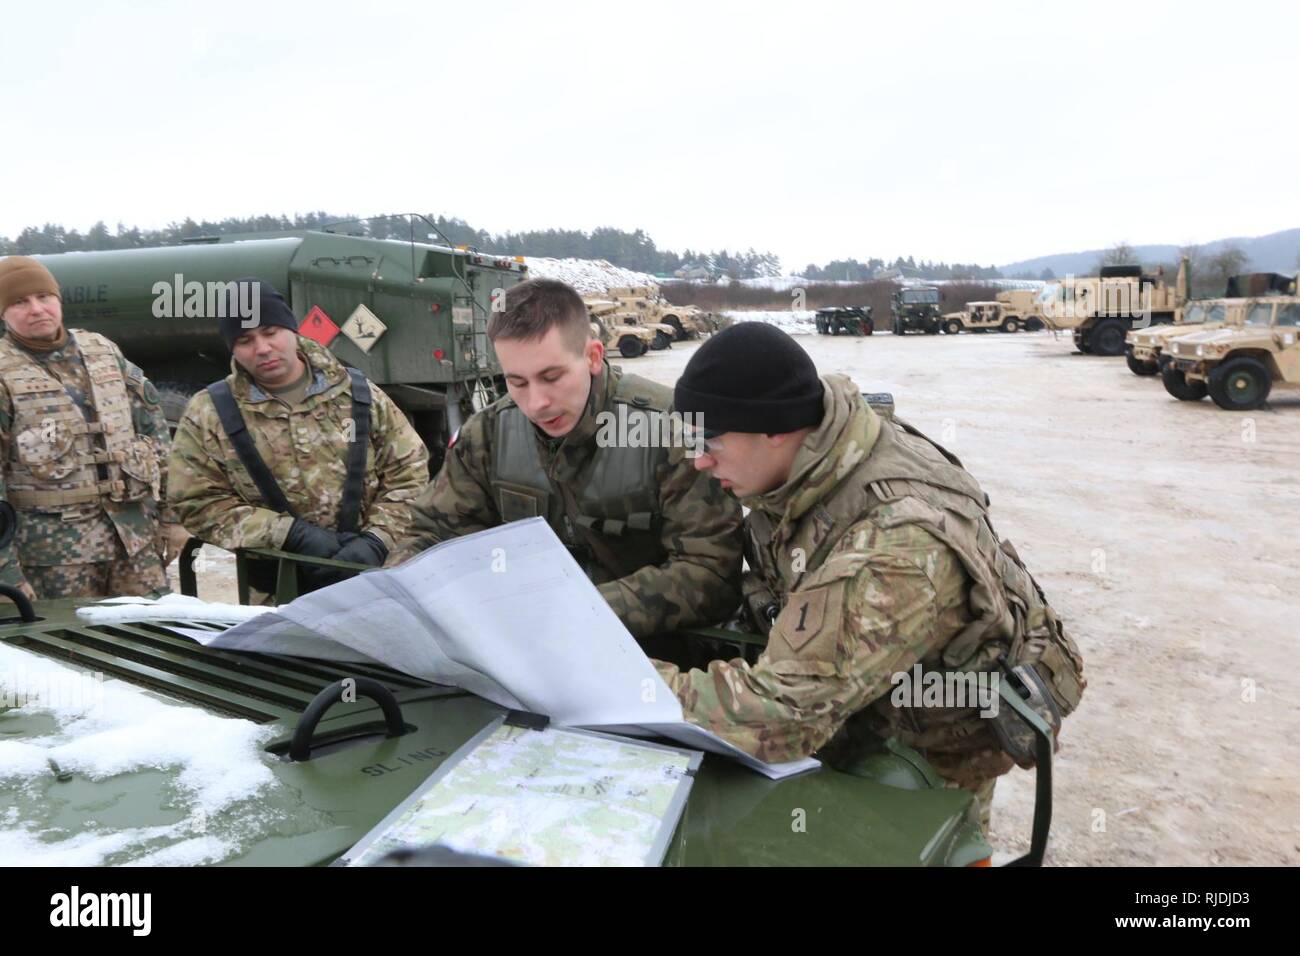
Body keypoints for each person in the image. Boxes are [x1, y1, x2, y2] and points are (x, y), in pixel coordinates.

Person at [657, 322, 1085, 828]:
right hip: (867, 699)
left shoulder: (897, 545)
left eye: (712, 441)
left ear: (773, 428)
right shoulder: (815, 454)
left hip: (925, 762)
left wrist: (634, 685)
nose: (700, 461)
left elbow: (781, 719)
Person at [392, 278, 743, 641]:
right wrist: (396, 590)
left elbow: (711, 573)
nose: (536, 402)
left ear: (592, 356)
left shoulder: (669, 429)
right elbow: (432, 533)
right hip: (519, 642)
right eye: (517, 382)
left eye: (551, 377)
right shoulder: (488, 434)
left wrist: (576, 611)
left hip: (655, 654)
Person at [168, 279, 428, 592]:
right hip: (275, 589)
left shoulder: (359, 394)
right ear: (232, 348)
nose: (263, 348)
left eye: (270, 332)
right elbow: (196, 502)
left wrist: (377, 539)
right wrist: (288, 534)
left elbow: (410, 473)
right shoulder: (209, 413)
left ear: (292, 330)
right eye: (246, 340)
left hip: (371, 581)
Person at [0, 255, 182, 599]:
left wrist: (172, 518)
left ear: (59, 300)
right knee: (69, 651)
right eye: (20, 302)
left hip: (134, 545)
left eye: (44, 297)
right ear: (3, 312)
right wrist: (6, 570)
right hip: (53, 560)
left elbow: (155, 431)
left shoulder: (104, 351)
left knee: (148, 640)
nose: (36, 309)